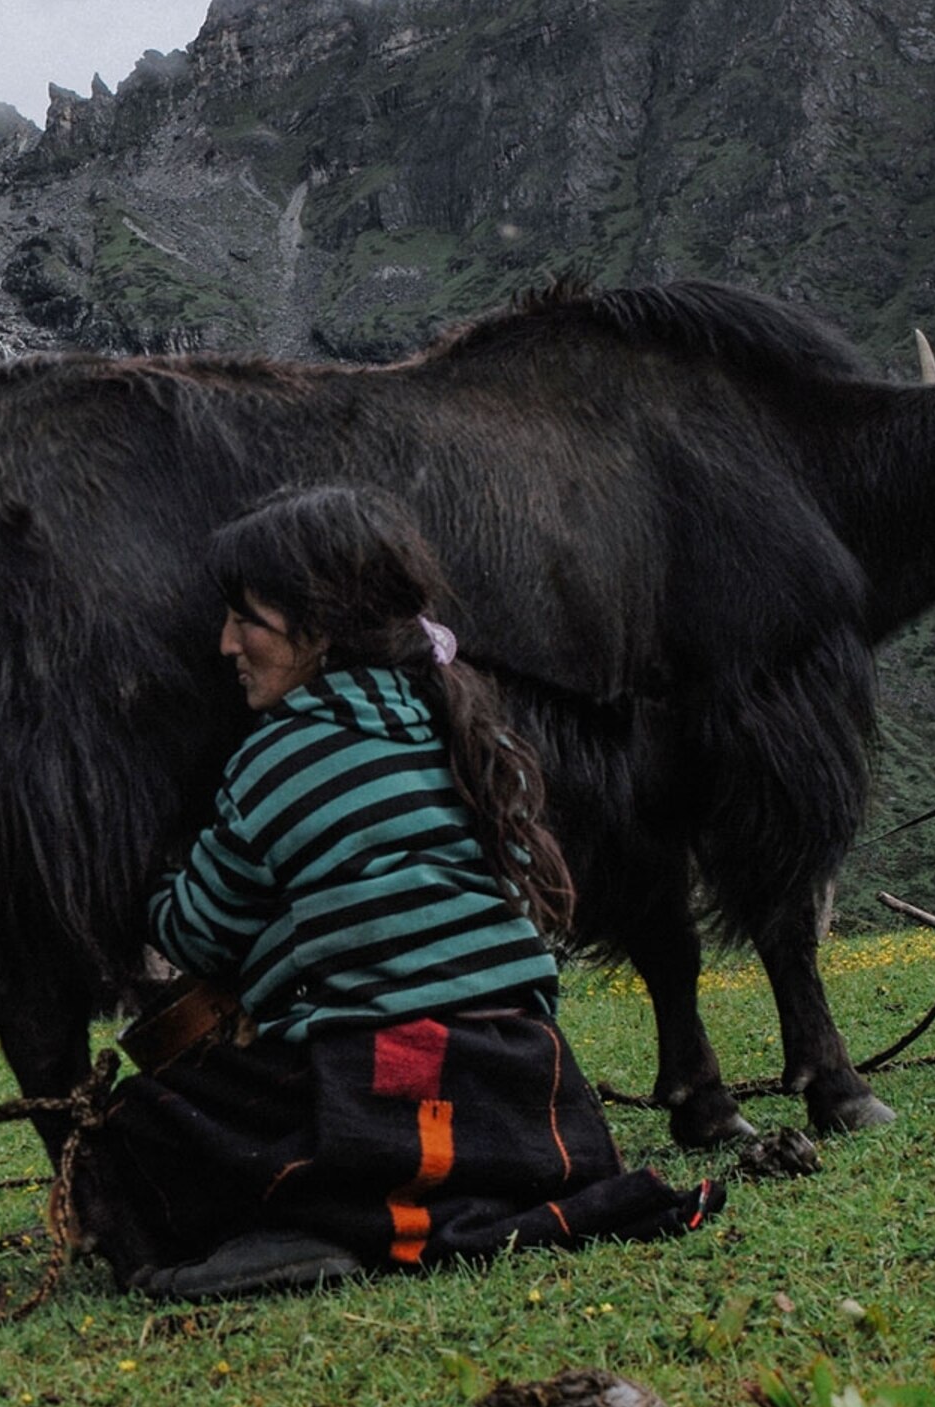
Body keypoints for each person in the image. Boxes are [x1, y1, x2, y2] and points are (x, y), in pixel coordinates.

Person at [72, 484, 721, 1300]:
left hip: (380, 1089)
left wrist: (148, 876)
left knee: (138, 1127)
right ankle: (420, 1204)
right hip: (534, 1096)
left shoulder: (278, 758)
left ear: (317, 632)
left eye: (249, 619)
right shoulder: (473, 734)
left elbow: (199, 933)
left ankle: (323, 1226)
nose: (226, 642)